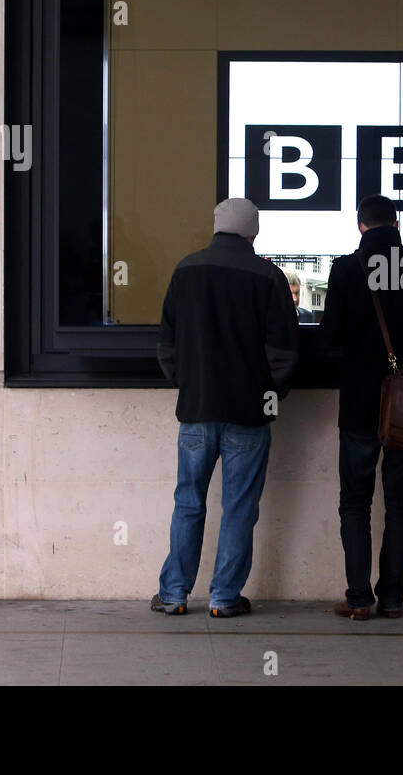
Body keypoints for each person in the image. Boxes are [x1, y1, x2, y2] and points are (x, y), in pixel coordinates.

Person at [151, 198, 299, 617]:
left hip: (196, 409)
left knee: (188, 502)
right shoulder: (268, 276)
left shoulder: (186, 270)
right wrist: (272, 394)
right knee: (239, 508)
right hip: (249, 414)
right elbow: (285, 352)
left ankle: (174, 594)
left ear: (217, 227)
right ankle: (223, 598)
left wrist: (186, 382)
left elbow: (167, 342)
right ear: (252, 232)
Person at [320, 195, 403, 620]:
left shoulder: (345, 269)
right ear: (395, 224)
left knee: (355, 501)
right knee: (401, 501)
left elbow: (329, 339)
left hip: (361, 406)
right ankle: (393, 597)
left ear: (360, 226)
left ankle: (359, 598)